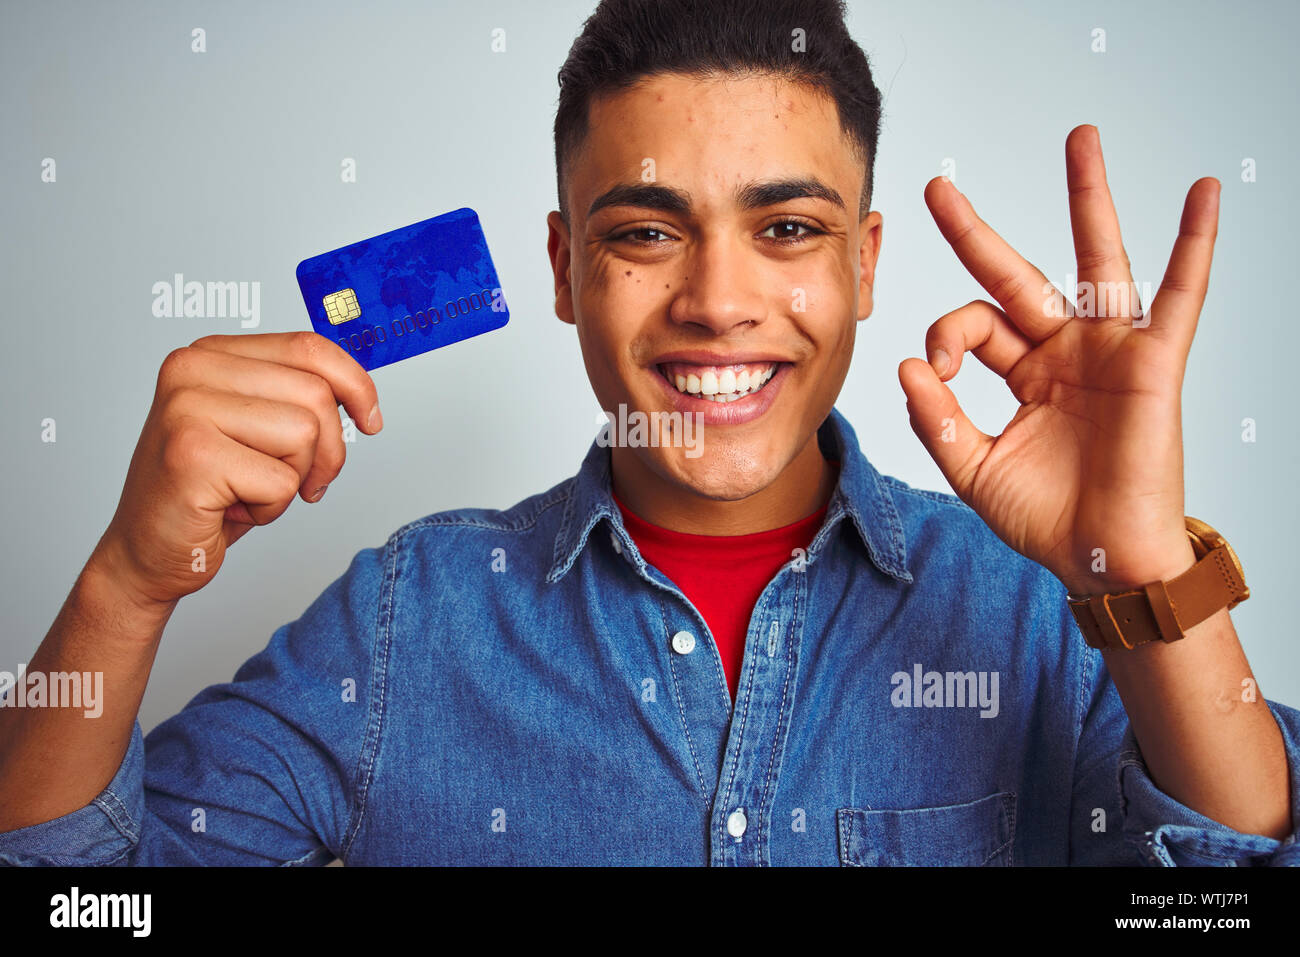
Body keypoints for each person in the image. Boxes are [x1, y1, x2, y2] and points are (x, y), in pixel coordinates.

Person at [1, 0, 1296, 866]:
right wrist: (125, 580)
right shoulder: (409, 617)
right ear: (564, 268)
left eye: (787, 228)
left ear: (865, 263)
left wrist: (1147, 573)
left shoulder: (1028, 608)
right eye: (643, 230)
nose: (719, 300)